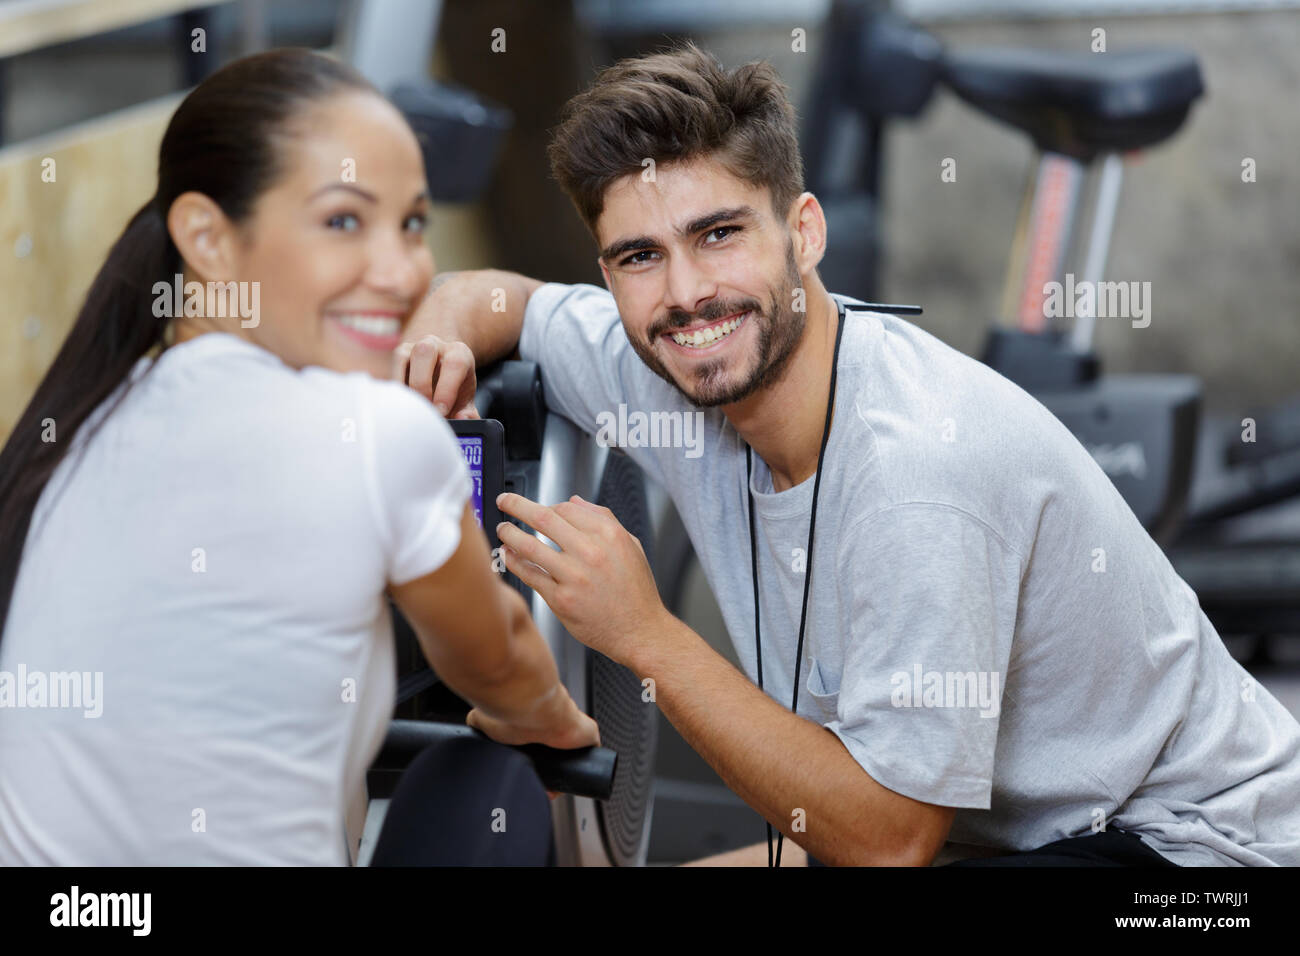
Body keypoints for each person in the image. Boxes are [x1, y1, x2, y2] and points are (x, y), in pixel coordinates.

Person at [397, 42, 1300, 866]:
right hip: (992, 840)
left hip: (1194, 860)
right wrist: (432, 347)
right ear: (609, 275)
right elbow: (489, 298)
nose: (686, 292)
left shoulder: (917, 477)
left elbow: (885, 845)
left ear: (805, 232)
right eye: (640, 255)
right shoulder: (668, 355)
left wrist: (643, 637)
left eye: (720, 234)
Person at [0, 48, 597, 867]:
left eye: (412, 224)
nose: (402, 272)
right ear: (207, 239)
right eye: (344, 221)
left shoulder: (87, 421)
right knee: (491, 783)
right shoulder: (378, 432)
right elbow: (502, 661)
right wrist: (554, 725)